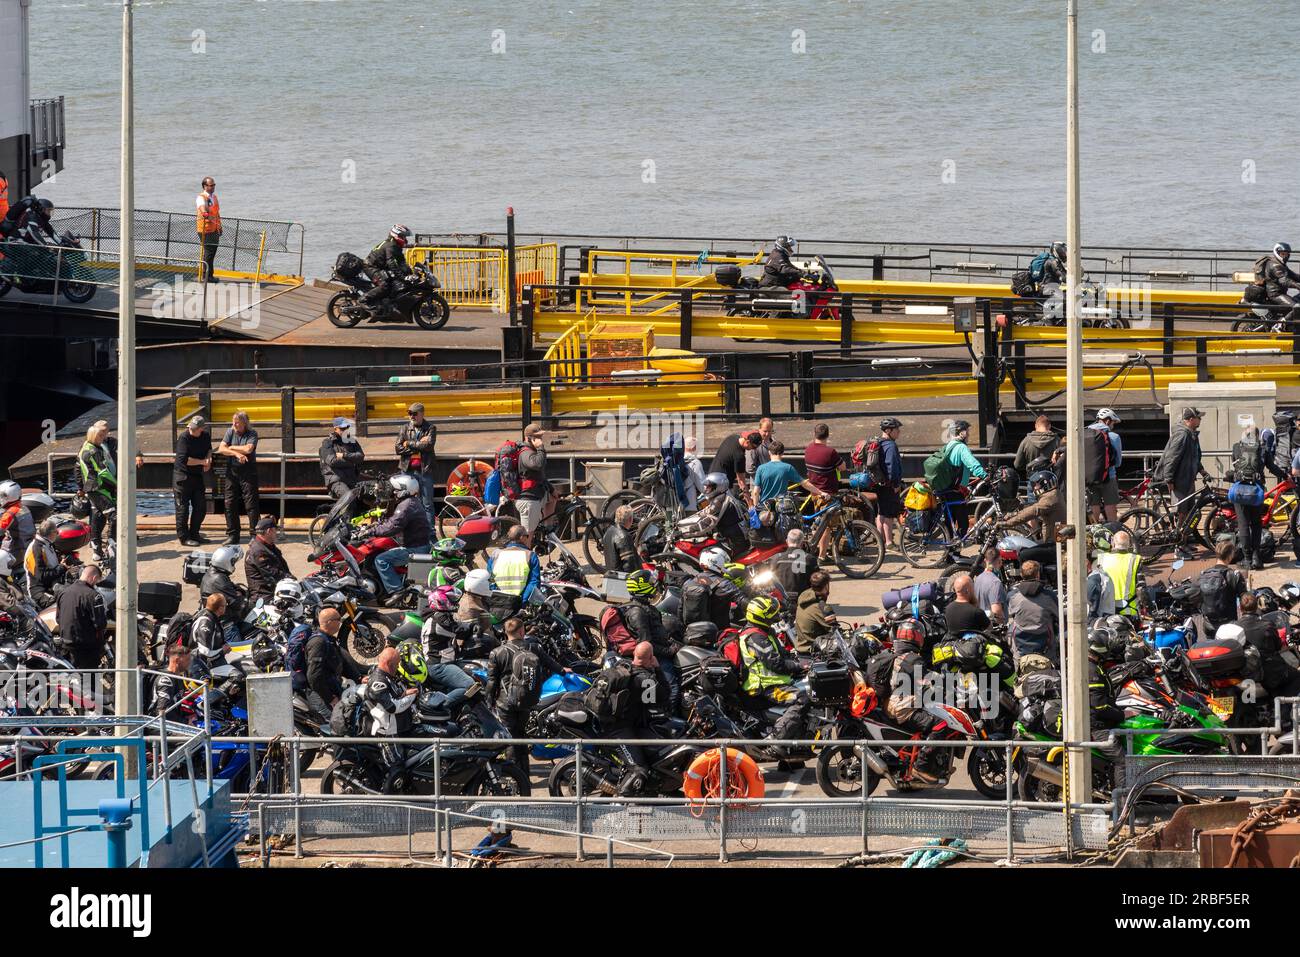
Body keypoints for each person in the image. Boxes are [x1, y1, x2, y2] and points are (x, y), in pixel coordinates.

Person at [486, 616, 570, 778]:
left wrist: (489, 702)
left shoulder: (497, 653)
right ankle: (524, 774)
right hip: (526, 701)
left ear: (505, 632)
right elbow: (551, 664)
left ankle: (515, 777)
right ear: (522, 631)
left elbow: (491, 682)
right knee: (521, 735)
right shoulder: (534, 648)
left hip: (505, 703)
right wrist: (564, 671)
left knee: (510, 738)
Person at [738, 596, 809, 740]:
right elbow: (777, 664)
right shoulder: (755, 637)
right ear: (760, 616)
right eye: (771, 614)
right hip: (766, 687)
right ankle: (775, 739)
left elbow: (784, 655)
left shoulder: (765, 632)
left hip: (775, 681)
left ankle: (794, 756)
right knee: (802, 698)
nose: (775, 616)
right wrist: (797, 666)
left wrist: (805, 660)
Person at [880, 625, 945, 783]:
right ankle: (921, 766)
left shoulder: (898, 656)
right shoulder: (913, 659)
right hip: (903, 707)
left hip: (893, 703)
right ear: (916, 639)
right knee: (941, 724)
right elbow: (925, 682)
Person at [360, 474, 431, 597]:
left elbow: (392, 527)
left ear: (403, 490)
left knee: (381, 560)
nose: (392, 492)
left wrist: (370, 532)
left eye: (394, 489)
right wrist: (374, 526)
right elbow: (394, 522)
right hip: (418, 544)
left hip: (414, 548)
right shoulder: (411, 502)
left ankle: (397, 591)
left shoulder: (406, 505)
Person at [621, 569, 681, 714]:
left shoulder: (646, 607)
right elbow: (646, 644)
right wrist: (670, 650)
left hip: (660, 649)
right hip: (654, 656)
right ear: (641, 586)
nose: (654, 586)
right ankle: (669, 721)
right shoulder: (638, 612)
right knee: (672, 687)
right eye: (650, 583)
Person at [1156, 407, 1211, 557]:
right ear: (1191, 419)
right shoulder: (1182, 435)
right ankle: (1178, 549)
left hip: (1187, 479)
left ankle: (1184, 543)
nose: (1201, 420)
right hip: (1180, 480)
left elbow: (1193, 457)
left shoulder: (1192, 435)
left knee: (1188, 513)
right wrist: (1169, 479)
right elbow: (1171, 457)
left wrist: (1202, 470)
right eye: (1199, 417)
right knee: (1181, 514)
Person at [1234, 593, 1300, 698]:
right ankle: (1284, 710)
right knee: (1297, 677)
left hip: (1245, 672)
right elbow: (1278, 646)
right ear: (1256, 607)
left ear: (1240, 608)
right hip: (1269, 672)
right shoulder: (1267, 625)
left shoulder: (1234, 627)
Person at [304, 606, 365, 720]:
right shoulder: (318, 643)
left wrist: (359, 678)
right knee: (336, 724)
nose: (340, 622)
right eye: (338, 619)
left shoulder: (329, 640)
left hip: (334, 689)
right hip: (321, 695)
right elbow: (313, 676)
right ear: (329, 622)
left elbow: (341, 663)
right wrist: (330, 699)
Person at [929, 420, 987, 533]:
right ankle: (955, 548)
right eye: (967, 431)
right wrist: (984, 475)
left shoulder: (948, 446)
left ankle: (951, 547)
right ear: (961, 433)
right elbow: (972, 463)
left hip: (947, 488)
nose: (968, 434)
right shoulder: (961, 448)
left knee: (950, 520)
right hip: (956, 490)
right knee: (963, 523)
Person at [77, 421, 118, 563]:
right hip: (98, 487)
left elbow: (79, 468)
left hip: (94, 488)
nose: (103, 437)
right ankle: (112, 546)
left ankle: (98, 550)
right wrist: (117, 484)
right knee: (114, 515)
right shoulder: (93, 450)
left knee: (98, 517)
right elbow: (103, 472)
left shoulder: (87, 448)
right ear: (95, 435)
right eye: (101, 435)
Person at [1228, 423, 1268, 569]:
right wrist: (1284, 475)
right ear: (1257, 435)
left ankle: (1247, 559)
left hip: (1240, 491)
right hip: (1256, 490)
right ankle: (1257, 558)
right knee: (1257, 524)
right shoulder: (1262, 448)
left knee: (1243, 524)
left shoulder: (1236, 447)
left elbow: (1235, 465)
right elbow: (1270, 466)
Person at [216, 410, 259, 545]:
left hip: (248, 473)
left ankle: (254, 535)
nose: (234, 425)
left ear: (244, 424)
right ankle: (233, 535)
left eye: (237, 423)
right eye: (233, 423)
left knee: (251, 504)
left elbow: (248, 449)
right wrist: (236, 454)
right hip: (232, 472)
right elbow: (221, 449)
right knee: (229, 503)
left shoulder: (252, 433)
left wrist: (232, 447)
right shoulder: (230, 431)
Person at [681, 546, 747, 632]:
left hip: (693, 632)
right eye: (724, 561)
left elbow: (680, 609)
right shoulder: (723, 583)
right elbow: (742, 599)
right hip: (719, 633)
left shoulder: (689, 582)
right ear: (716, 562)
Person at [55, 564, 107, 670]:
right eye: (97, 581)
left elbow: (58, 619)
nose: (96, 584)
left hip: (66, 645)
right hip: (85, 648)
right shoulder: (94, 595)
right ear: (94, 578)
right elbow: (100, 624)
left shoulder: (63, 592)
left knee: (71, 680)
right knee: (91, 682)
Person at [1007, 560, 1059, 664]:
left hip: (1020, 651)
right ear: (1038, 574)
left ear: (1021, 575)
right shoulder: (1050, 597)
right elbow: (1058, 617)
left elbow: (1011, 614)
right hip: (1046, 651)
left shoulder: (1013, 596)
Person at [173, 415, 212, 546]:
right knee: (182, 509)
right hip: (182, 476)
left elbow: (209, 449)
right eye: (190, 427)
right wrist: (202, 462)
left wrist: (209, 459)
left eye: (194, 428)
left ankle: (195, 533)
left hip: (197, 476)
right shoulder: (184, 438)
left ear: (201, 429)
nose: (191, 430)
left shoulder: (205, 436)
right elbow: (185, 460)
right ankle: (184, 537)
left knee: (201, 507)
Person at [750, 441, 825, 509]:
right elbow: (804, 483)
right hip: (781, 507)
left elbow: (756, 491)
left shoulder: (761, 468)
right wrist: (821, 492)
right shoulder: (787, 468)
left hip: (765, 508)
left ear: (769, 452)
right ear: (782, 453)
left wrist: (756, 507)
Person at [363, 647, 419, 739]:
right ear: (389, 664)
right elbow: (392, 707)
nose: (398, 667)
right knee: (398, 754)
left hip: (399, 729)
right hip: (388, 734)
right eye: (397, 664)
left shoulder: (386, 676)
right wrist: (411, 696)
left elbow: (394, 695)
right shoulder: (378, 683)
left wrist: (405, 693)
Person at [396, 403, 438, 524]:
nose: (411, 416)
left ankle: (430, 535)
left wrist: (408, 443)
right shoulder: (405, 428)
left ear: (422, 414)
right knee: (406, 504)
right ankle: (410, 534)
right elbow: (398, 448)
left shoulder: (431, 428)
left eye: (414, 414)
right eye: (409, 413)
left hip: (424, 471)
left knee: (427, 504)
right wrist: (419, 444)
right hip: (407, 471)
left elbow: (429, 446)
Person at [1000, 469, 1064, 544]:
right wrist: (1012, 514)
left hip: (1055, 544)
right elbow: (1030, 509)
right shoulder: (1055, 494)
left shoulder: (1050, 499)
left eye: (1037, 485)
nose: (1034, 488)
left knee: (1023, 553)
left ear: (1045, 485)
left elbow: (1030, 513)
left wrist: (1005, 524)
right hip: (1056, 539)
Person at [1199, 540, 1247, 635]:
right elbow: (1245, 601)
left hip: (1208, 625)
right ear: (1230, 555)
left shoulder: (1204, 574)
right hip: (1228, 625)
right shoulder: (1234, 575)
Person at [1095, 529, 1145, 620]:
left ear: (1113, 543)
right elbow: (1141, 589)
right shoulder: (1135, 559)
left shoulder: (1101, 559)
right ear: (1129, 544)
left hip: (1106, 611)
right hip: (1128, 611)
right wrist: (1150, 609)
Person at [200, 544, 248, 638]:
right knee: (240, 651)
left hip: (219, 621)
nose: (234, 564)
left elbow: (236, 589)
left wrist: (238, 593)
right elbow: (238, 604)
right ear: (226, 562)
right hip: (226, 626)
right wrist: (241, 597)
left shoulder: (213, 573)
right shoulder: (218, 580)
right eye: (233, 562)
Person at [361, 224, 413, 309]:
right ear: (396, 235)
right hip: (371, 267)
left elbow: (401, 261)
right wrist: (403, 277)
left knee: (394, 281)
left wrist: (410, 273)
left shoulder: (396, 245)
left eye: (405, 237)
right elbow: (391, 263)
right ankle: (364, 300)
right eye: (403, 236)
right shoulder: (391, 245)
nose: (405, 239)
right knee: (384, 285)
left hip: (379, 267)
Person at [870, 417, 905, 543]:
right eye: (897, 429)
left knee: (881, 512)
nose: (899, 432)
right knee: (889, 514)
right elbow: (891, 466)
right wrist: (895, 483)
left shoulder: (878, 442)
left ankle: (880, 540)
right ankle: (889, 542)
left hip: (879, 482)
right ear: (889, 430)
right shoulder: (890, 445)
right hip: (889, 484)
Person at [699, 470, 749, 556]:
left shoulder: (720, 500)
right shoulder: (725, 495)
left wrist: (684, 532)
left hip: (735, 542)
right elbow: (704, 513)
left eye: (709, 487)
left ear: (718, 486)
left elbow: (708, 522)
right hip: (735, 537)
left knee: (708, 555)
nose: (706, 489)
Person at [24, 518, 70, 608]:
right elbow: (41, 576)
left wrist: (61, 560)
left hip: (53, 582)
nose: (57, 534)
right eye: (56, 532)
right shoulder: (36, 549)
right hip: (39, 590)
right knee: (67, 602)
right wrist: (61, 568)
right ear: (51, 533)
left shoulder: (47, 543)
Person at [244, 516, 290, 604]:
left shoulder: (268, 545)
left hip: (273, 590)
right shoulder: (258, 551)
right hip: (264, 597)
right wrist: (289, 580)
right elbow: (272, 573)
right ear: (269, 531)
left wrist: (290, 578)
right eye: (275, 530)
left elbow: (282, 565)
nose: (276, 533)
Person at [1088, 408, 1124, 522]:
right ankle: (1113, 531)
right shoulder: (1114, 437)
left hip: (1090, 477)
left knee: (1094, 504)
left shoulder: (1086, 435)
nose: (1113, 425)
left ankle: (1093, 531)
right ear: (1107, 421)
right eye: (1113, 422)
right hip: (1109, 476)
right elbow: (1118, 462)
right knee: (1110, 504)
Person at [490, 524, 541, 600]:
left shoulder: (496, 555)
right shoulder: (530, 556)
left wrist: (497, 598)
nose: (528, 538)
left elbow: (490, 580)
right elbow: (534, 583)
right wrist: (523, 601)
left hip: (498, 602)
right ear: (522, 538)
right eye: (527, 536)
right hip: (519, 602)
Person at [319, 417, 365, 500]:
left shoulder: (351, 441)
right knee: (348, 498)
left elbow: (361, 456)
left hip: (351, 478)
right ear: (335, 428)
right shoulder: (328, 442)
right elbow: (332, 461)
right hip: (336, 480)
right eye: (342, 428)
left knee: (365, 498)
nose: (345, 430)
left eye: (347, 427)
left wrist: (344, 455)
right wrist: (352, 462)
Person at [516, 423, 550, 534]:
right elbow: (538, 465)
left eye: (541, 437)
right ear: (530, 438)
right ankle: (525, 550)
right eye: (538, 437)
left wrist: (551, 489)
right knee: (527, 535)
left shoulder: (533, 451)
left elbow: (538, 474)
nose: (540, 439)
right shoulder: (526, 453)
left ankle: (547, 531)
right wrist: (540, 448)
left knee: (552, 500)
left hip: (536, 495)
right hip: (528, 500)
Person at [793, 570, 838, 654]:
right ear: (826, 587)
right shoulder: (822, 608)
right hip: (814, 652)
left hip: (801, 647)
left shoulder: (803, 597)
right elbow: (836, 633)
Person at [189, 593, 231, 679]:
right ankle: (215, 692)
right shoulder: (206, 622)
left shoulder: (212, 617)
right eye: (225, 605)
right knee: (237, 677)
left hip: (212, 660)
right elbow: (204, 652)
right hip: (202, 665)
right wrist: (222, 651)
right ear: (220, 608)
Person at [1257, 242, 1300, 326]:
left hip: (1280, 293)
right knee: (1296, 307)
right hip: (1275, 294)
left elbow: (1293, 276)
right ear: (1277, 252)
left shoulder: (1280, 264)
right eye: (1283, 254)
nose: (1285, 256)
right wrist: (1298, 286)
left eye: (1286, 254)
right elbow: (1284, 280)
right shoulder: (1275, 265)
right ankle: (1279, 325)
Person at [770, 527, 818, 599]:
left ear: (787, 541)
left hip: (781, 600)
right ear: (802, 543)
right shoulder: (810, 559)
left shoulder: (776, 558)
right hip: (802, 600)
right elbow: (818, 582)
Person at [151, 643, 193, 720]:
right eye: (187, 660)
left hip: (173, 723)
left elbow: (176, 706)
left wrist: (188, 715)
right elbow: (162, 711)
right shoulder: (165, 680)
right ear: (177, 661)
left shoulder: (178, 677)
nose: (189, 662)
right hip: (159, 727)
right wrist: (185, 723)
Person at [0, 480, 33, 573]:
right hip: (27, 545)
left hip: (16, 550)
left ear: (9, 497)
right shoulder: (23, 507)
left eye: (2, 496)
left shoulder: (10, 513)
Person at [195, 177, 222, 282]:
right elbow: (203, 209)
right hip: (205, 229)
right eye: (211, 185)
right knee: (208, 253)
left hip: (214, 228)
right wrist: (206, 214)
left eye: (214, 185)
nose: (213, 187)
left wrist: (219, 226)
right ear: (205, 186)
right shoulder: (201, 198)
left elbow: (216, 213)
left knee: (212, 252)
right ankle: (207, 277)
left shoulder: (214, 197)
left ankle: (209, 275)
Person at [601, 505, 641, 574]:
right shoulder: (624, 536)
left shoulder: (608, 532)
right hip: (622, 579)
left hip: (611, 576)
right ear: (630, 519)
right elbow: (629, 566)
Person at [804, 423, 842, 496]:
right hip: (828, 493)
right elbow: (843, 468)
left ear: (815, 434)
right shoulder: (830, 452)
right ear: (827, 435)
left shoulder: (808, 449)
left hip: (814, 491)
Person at [973, 548, 1007, 625]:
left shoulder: (978, 578)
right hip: (992, 628)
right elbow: (996, 611)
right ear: (999, 561)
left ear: (985, 560)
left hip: (981, 624)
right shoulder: (995, 583)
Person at [745, 418, 776, 484]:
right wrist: (764, 478)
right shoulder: (753, 444)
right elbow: (750, 468)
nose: (767, 434)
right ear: (759, 430)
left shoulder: (774, 442)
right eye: (764, 431)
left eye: (769, 431)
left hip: (772, 483)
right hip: (758, 484)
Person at [682, 436, 707, 511]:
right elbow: (702, 487)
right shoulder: (695, 463)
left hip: (673, 504)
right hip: (689, 506)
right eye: (698, 447)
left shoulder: (678, 460)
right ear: (693, 448)